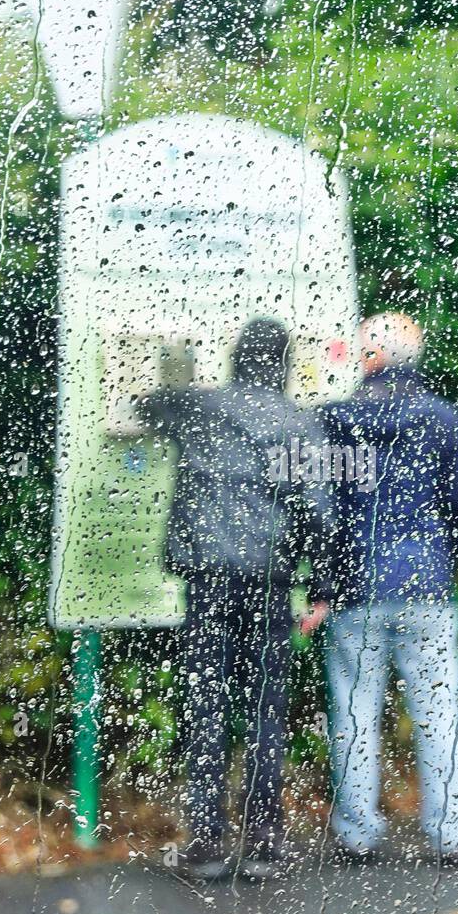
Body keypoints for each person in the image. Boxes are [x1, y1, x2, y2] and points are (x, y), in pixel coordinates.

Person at [139, 318, 333, 881]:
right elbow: (317, 513)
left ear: (235, 358)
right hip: (267, 576)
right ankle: (266, 842)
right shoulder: (298, 424)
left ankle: (205, 842)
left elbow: (144, 405)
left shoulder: (199, 409)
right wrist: (319, 589)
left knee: (206, 702)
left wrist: (177, 369)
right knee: (264, 708)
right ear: (283, 365)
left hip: (205, 577)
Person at [318, 312, 458, 865]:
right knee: (440, 713)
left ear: (370, 358)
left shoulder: (336, 422)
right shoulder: (444, 420)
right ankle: (452, 835)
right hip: (428, 587)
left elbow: (323, 512)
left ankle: (358, 833)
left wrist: (323, 583)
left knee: (353, 712)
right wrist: (443, 557)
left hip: (355, 588)